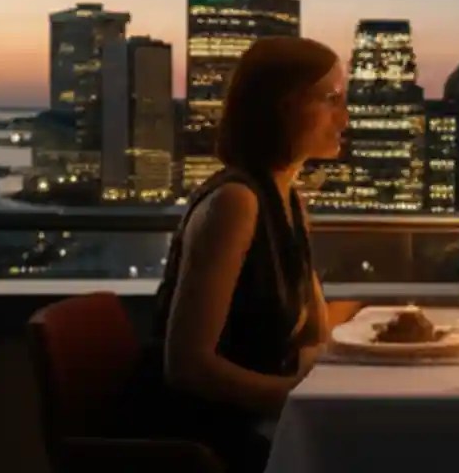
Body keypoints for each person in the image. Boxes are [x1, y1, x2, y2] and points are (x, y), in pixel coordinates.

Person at [130, 36, 348, 473]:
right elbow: (187, 366)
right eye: (331, 99)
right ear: (284, 106)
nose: (344, 116)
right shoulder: (236, 203)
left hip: (258, 420)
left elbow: (311, 332)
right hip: (208, 438)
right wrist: (295, 398)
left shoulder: (288, 200)